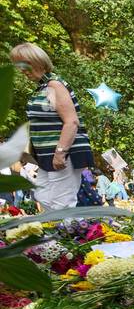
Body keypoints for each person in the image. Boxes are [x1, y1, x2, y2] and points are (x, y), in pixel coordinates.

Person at [9, 43, 94, 211]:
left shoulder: (55, 85)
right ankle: (57, 232)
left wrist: (60, 153)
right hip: (46, 155)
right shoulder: (42, 88)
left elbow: (71, 121)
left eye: (24, 65)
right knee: (43, 196)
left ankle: (66, 233)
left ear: (37, 62)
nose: (22, 70)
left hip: (63, 153)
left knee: (61, 203)